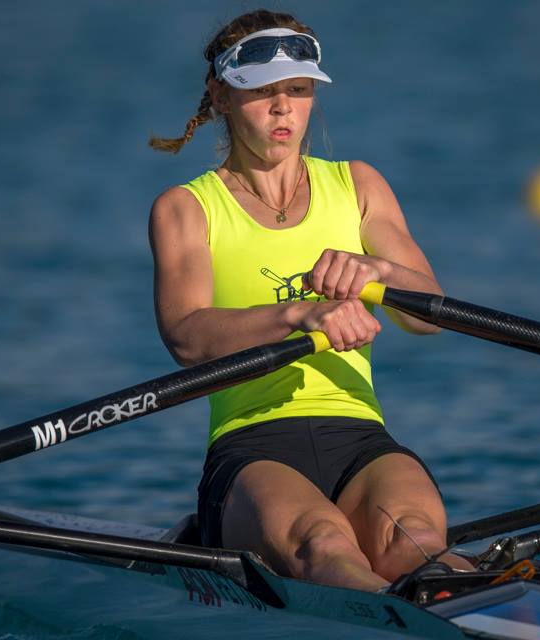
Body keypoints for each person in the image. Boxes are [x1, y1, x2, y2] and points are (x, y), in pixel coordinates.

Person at [148, 9, 473, 591]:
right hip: (252, 447)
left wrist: (378, 270)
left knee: (418, 540)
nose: (283, 108)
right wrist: (301, 312)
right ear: (221, 97)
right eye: (263, 92)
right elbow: (186, 336)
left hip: (361, 437)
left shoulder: (358, 185)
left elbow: (431, 317)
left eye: (298, 91)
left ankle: (492, 610)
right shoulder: (187, 208)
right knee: (322, 545)